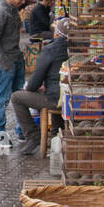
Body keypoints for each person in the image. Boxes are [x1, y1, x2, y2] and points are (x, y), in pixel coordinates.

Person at [12, 18, 73, 155]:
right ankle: (56, 132)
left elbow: (34, 83)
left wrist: (31, 88)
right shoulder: (79, 47)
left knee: (16, 97)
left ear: (57, 34)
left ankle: (33, 135)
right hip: (75, 97)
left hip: (57, 99)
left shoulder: (50, 49)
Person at [0, 0, 30, 142]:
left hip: (16, 60)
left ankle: (22, 131)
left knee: (20, 99)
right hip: (6, 64)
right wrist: (5, 63)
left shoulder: (13, 10)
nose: (23, 2)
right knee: (2, 100)